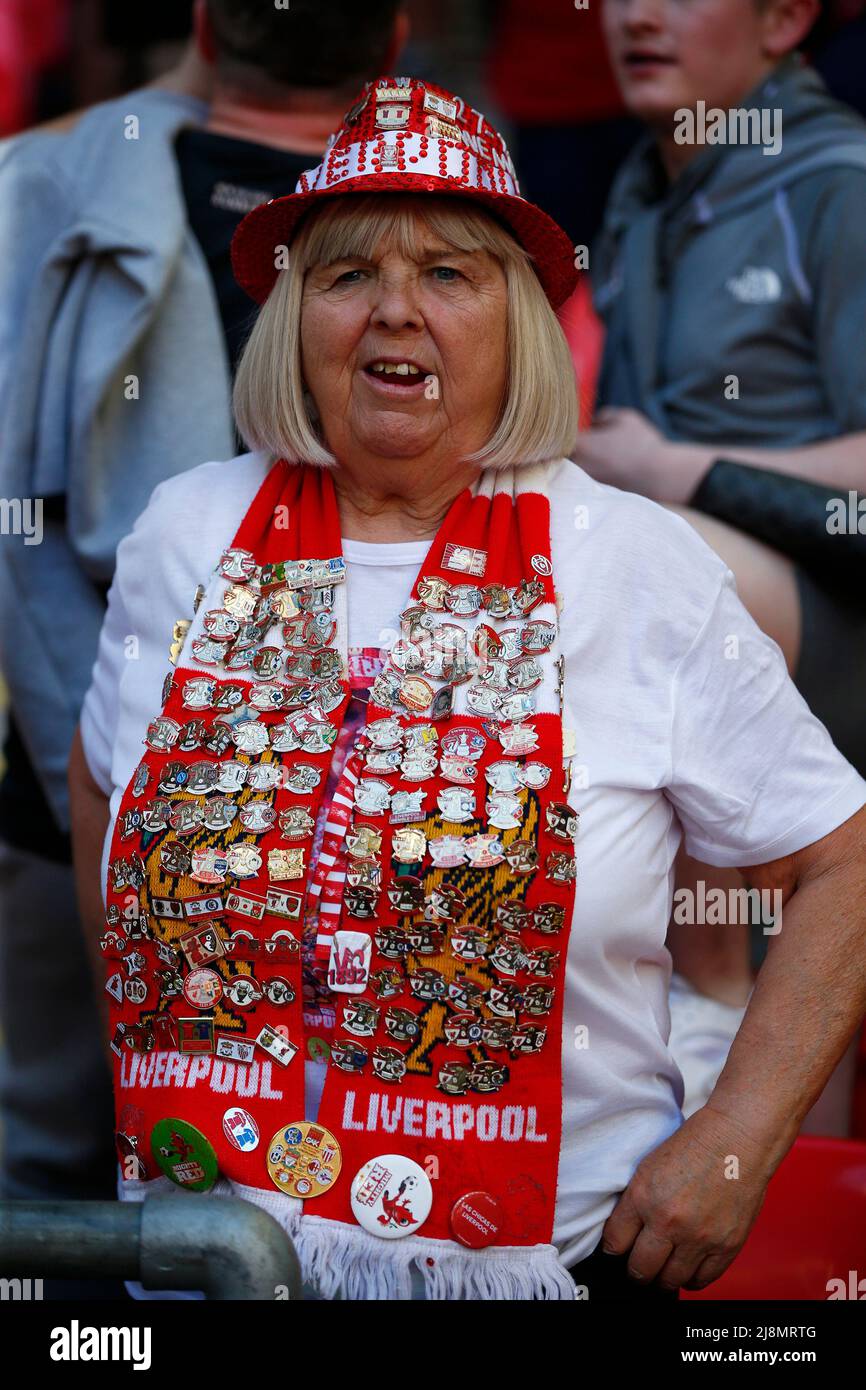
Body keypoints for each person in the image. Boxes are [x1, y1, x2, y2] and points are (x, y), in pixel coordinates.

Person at [69, 75, 866, 1301]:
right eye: (345, 276)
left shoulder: (635, 564)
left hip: (542, 1265)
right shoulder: (185, 535)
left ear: (519, 322)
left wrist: (735, 1140)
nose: (395, 312)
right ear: (293, 318)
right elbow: (100, 788)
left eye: (449, 273)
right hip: (196, 1258)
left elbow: (842, 861)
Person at [0, 0, 407, 1219]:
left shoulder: (44, 179)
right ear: (389, 41)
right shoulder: (454, 224)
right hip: (375, 829)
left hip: (59, 743)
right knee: (306, 1196)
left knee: (37, 1157)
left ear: (202, 24)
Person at [580, 0, 866, 1124]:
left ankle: (721, 1009)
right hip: (688, 593)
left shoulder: (837, 175)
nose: (635, 15)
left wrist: (680, 468)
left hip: (831, 601)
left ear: (784, 20)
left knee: (659, 565)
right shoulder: (640, 181)